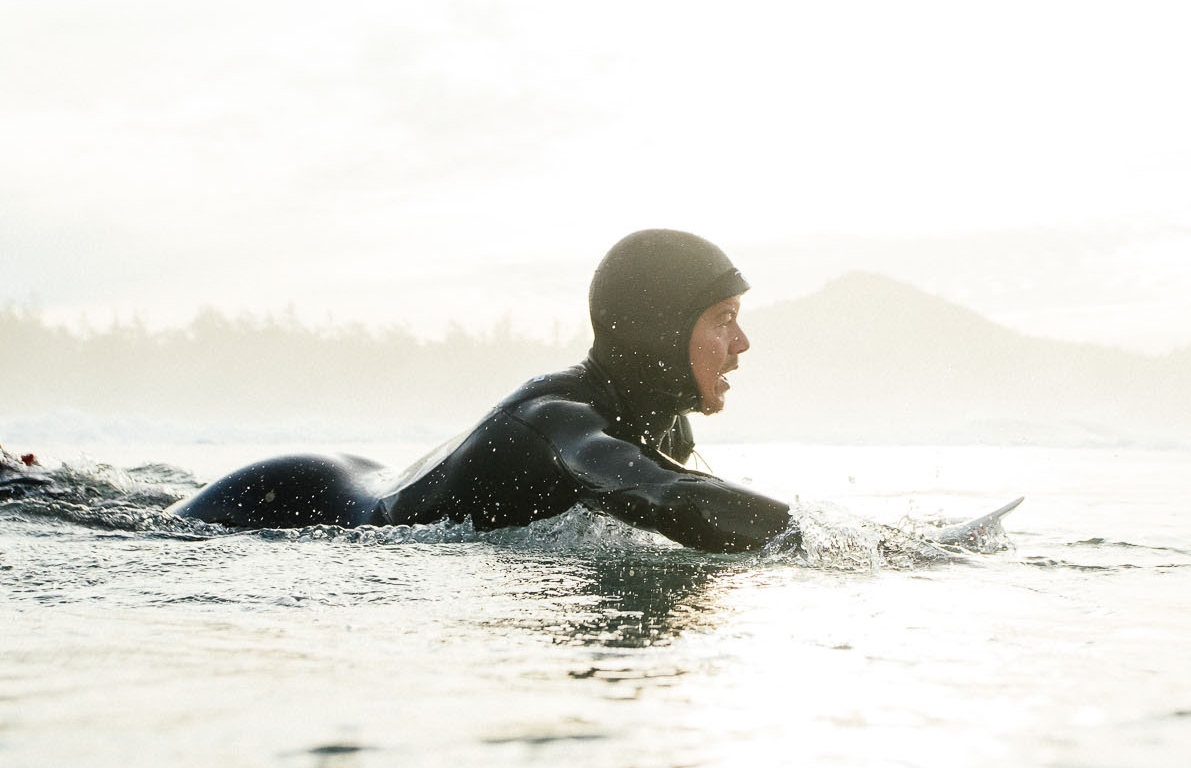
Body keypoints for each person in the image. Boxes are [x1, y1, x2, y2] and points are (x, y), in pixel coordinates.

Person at [166, 230, 795, 552]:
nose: (741, 344)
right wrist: (844, 547)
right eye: (722, 319)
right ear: (659, 329)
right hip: (297, 500)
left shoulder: (664, 426)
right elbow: (671, 497)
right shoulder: (561, 424)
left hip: (366, 475)